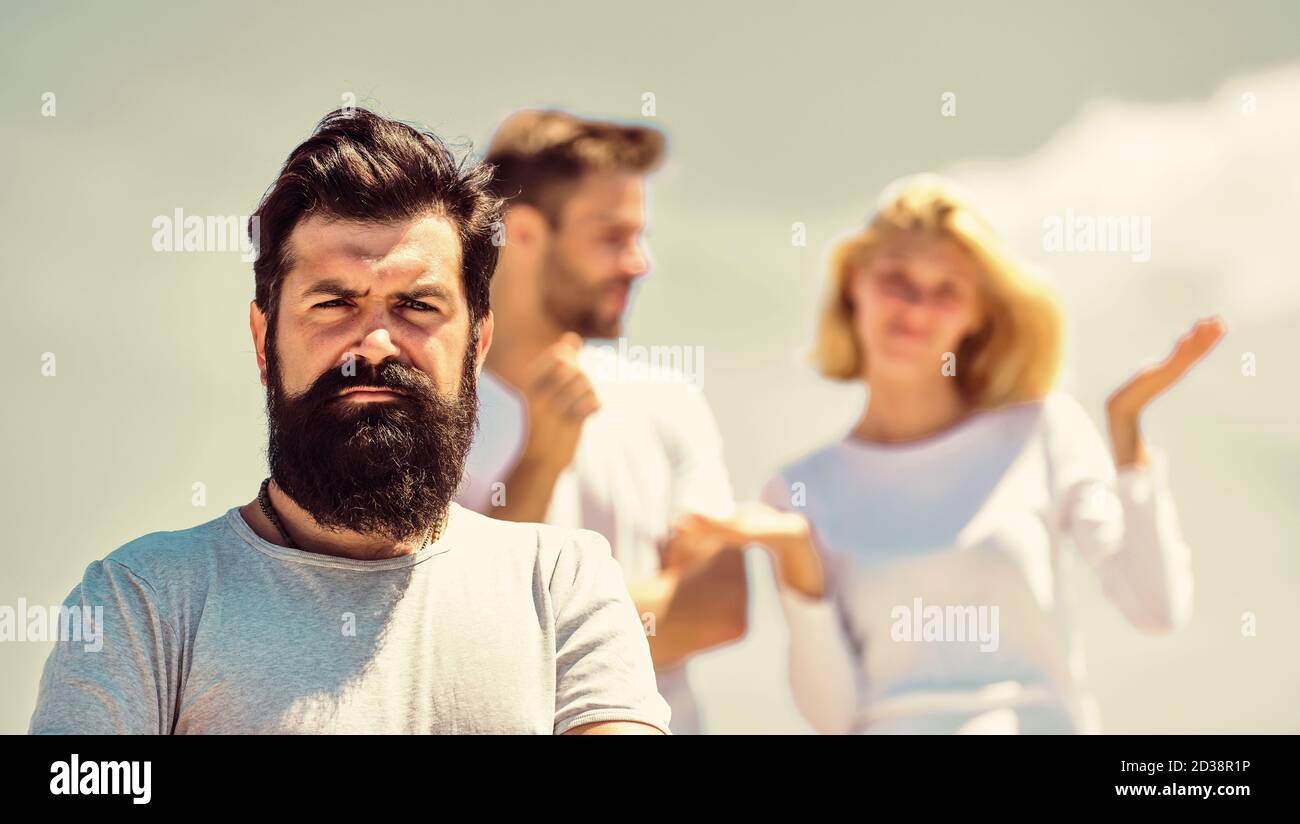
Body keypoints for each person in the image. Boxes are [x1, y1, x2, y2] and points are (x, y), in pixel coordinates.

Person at [29, 108, 669, 735]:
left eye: (417, 305)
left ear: (477, 347)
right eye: (334, 303)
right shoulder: (145, 599)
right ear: (263, 342)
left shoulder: (561, 584)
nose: (375, 345)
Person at [672, 175, 1224, 734]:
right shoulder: (801, 488)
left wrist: (1126, 432)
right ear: (853, 284)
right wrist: (796, 559)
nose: (916, 307)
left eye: (947, 291)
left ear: (979, 315)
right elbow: (834, 718)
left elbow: (1156, 610)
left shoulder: (1043, 432)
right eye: (898, 279)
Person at [456, 110, 747, 734]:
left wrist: (537, 633)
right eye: (612, 236)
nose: (640, 262)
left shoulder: (669, 400)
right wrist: (542, 460)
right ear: (525, 234)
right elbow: (454, 632)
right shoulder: (425, 414)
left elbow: (719, 608)